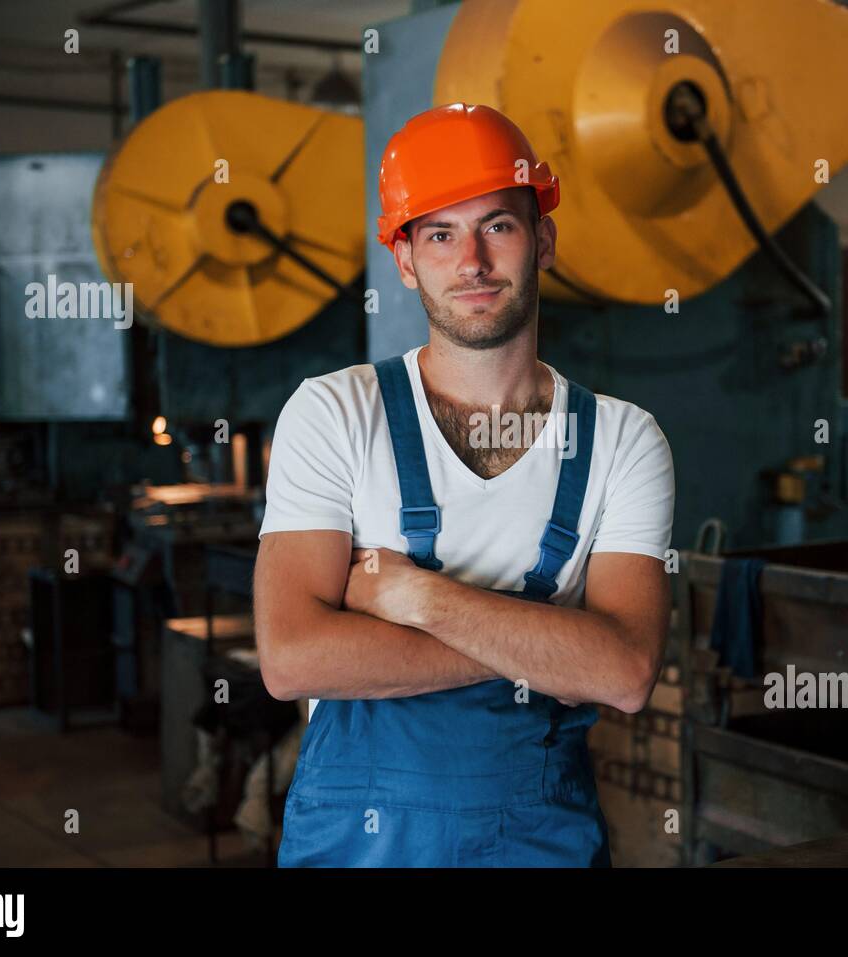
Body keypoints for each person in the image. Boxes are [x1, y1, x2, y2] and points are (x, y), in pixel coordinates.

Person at [254, 103, 676, 867]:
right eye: (440, 234)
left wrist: (418, 598)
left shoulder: (623, 440)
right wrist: (548, 644)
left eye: (499, 226)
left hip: (537, 840)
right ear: (407, 259)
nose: (472, 260)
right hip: (357, 841)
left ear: (543, 240)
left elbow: (626, 672)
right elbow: (291, 659)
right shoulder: (334, 413)